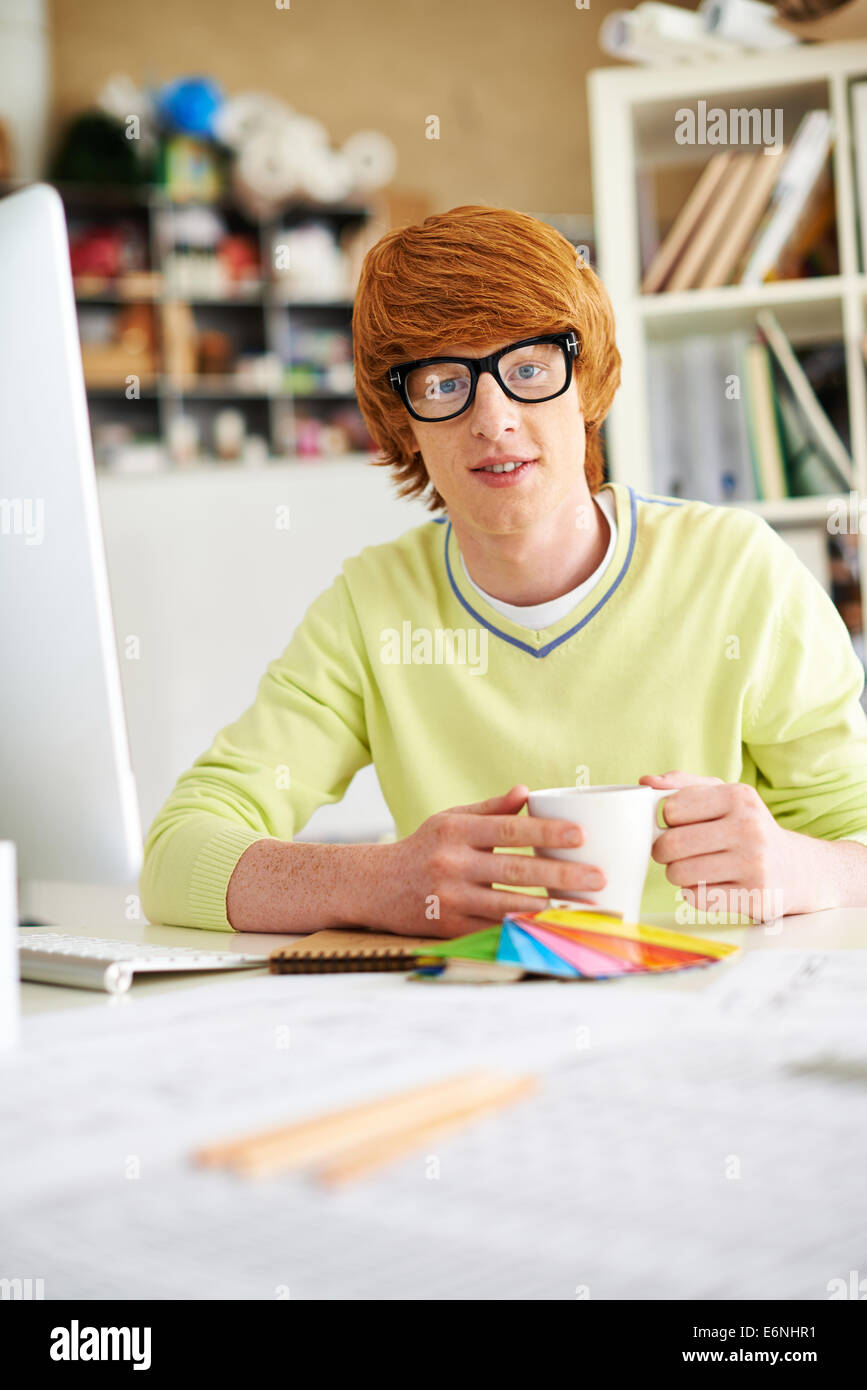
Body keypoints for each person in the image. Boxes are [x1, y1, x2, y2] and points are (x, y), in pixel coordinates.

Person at [139, 204, 867, 935]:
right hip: (472, 1024)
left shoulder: (737, 569)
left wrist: (805, 866)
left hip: (711, 1017)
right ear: (403, 421)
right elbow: (175, 857)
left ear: (586, 383)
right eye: (443, 382)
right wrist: (378, 879)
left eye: (527, 368)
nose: (493, 419)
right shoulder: (372, 608)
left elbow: (853, 832)